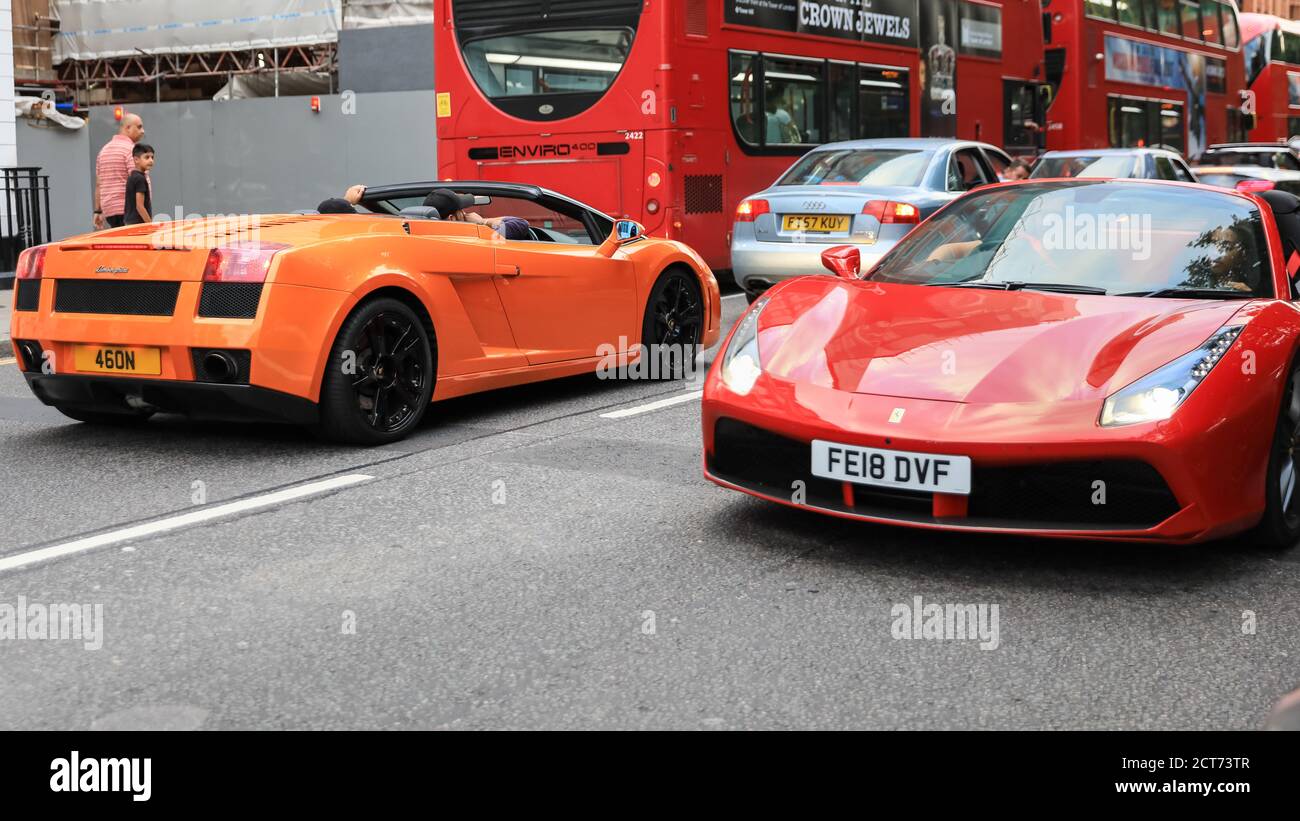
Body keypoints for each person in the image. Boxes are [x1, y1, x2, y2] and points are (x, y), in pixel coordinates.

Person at [93, 112, 146, 229]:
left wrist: (98, 211)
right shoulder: (132, 151)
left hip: (110, 212)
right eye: (139, 127)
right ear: (127, 128)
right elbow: (139, 183)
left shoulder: (103, 151)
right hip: (130, 211)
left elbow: (99, 184)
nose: (143, 131)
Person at [423, 189, 531, 240]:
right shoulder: (473, 240)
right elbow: (520, 224)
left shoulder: (420, 239)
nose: (465, 213)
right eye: (461, 210)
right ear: (452, 218)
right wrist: (483, 222)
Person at [123, 144, 154, 226]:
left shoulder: (132, 176)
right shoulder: (140, 179)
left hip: (129, 222)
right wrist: (150, 224)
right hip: (138, 224)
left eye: (152, 157)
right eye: (147, 157)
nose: (151, 160)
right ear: (136, 159)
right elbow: (140, 206)